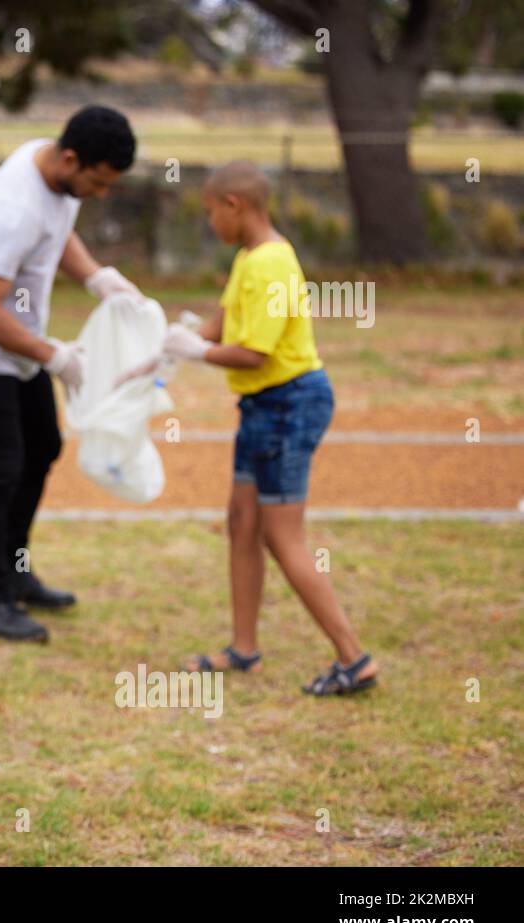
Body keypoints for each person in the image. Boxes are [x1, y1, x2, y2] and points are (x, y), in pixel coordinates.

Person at [129, 160, 378, 695]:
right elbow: (221, 324)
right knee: (242, 521)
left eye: (210, 211)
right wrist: (174, 341)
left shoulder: (272, 265)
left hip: (287, 403)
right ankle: (244, 649)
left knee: (281, 536)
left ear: (234, 205)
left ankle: (354, 658)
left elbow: (254, 352)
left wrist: (197, 352)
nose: (209, 221)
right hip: (262, 408)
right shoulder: (249, 259)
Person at [0, 105, 142, 643]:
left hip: (19, 351)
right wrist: (55, 356)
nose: (100, 194)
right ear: (71, 158)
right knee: (1, 468)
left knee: (43, 447)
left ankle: (16, 569)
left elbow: (58, 231)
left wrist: (97, 278)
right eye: (97, 181)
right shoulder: (11, 207)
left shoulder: (50, 166)